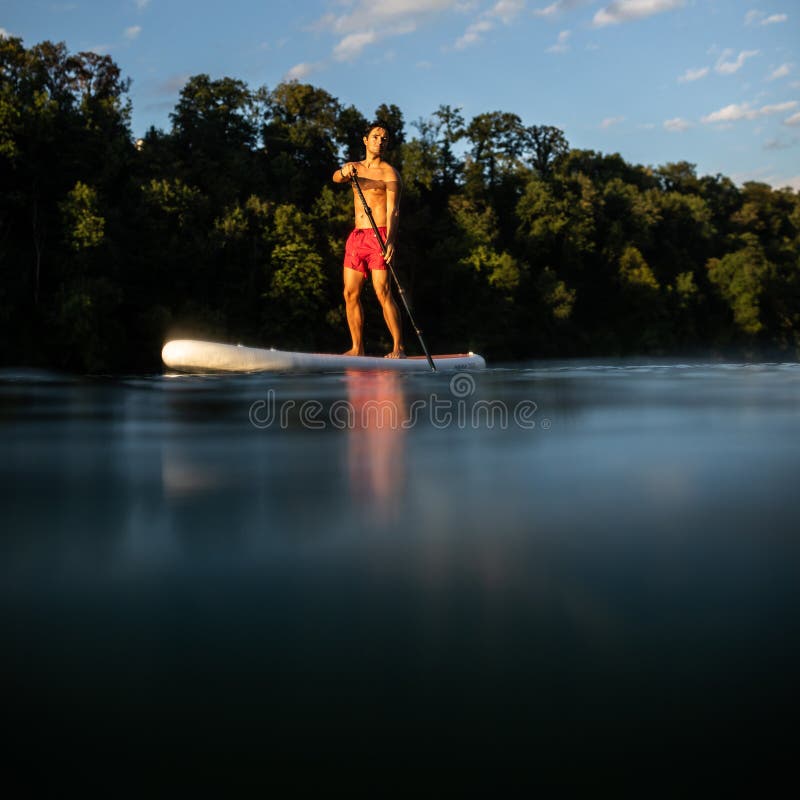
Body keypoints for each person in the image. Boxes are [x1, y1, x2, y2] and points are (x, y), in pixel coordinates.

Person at [333, 123, 405, 358]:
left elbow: (394, 211)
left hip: (380, 236)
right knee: (349, 293)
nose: (380, 141)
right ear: (365, 140)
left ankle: (398, 348)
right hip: (357, 237)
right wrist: (344, 172)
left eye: (384, 138)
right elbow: (336, 177)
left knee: (382, 292)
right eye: (375, 137)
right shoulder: (354, 167)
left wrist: (391, 241)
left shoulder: (390, 173)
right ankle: (357, 348)